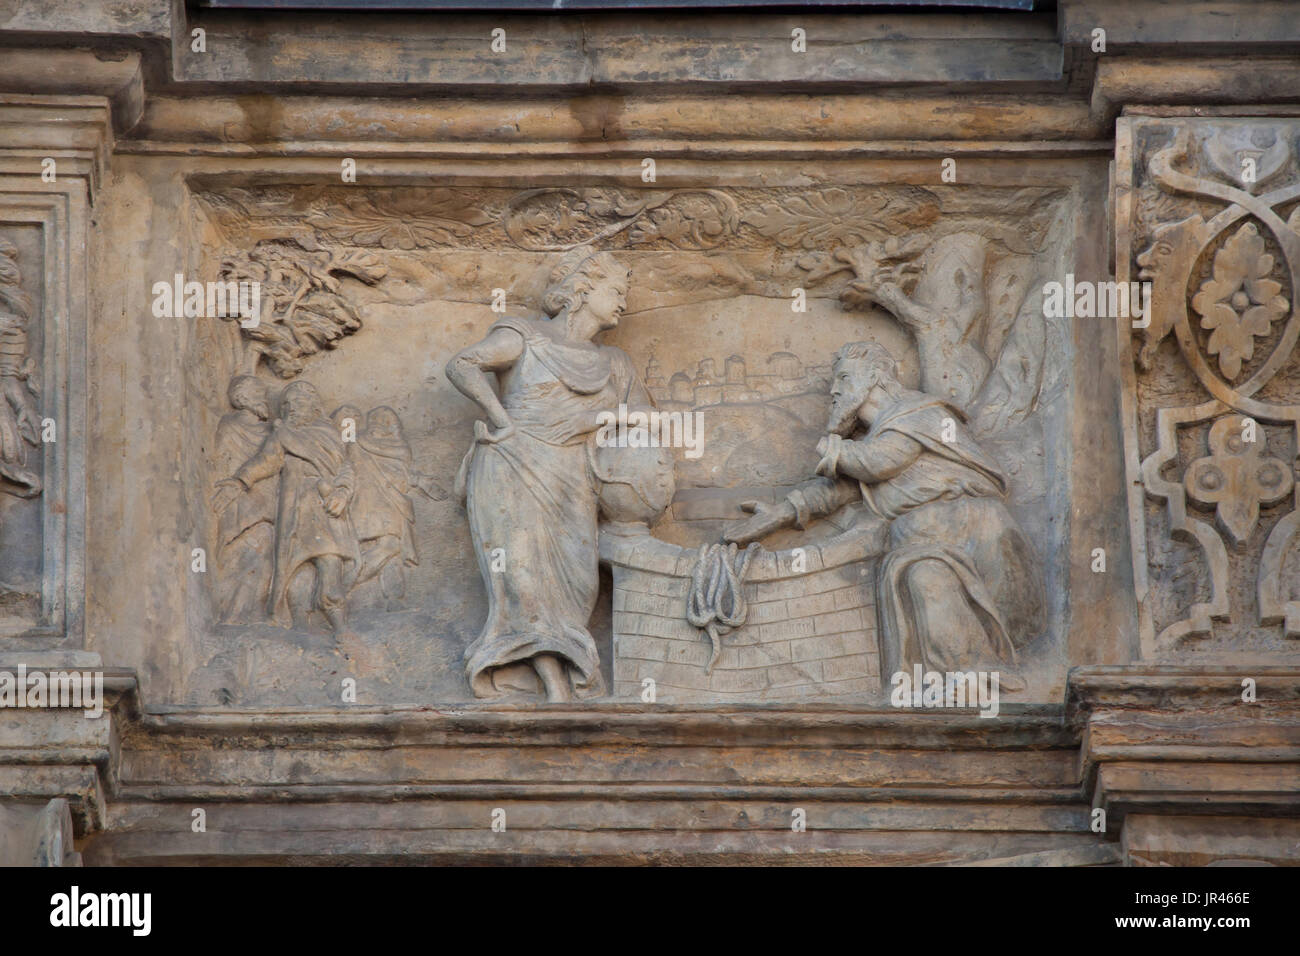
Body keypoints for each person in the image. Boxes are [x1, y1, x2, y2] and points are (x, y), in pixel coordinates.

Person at [725, 341, 1044, 684]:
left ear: (875, 376)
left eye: (844, 378)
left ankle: (976, 674)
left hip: (974, 541)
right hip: (927, 544)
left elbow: (878, 462)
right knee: (924, 580)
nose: (834, 390)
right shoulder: (883, 434)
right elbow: (841, 489)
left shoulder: (918, 414)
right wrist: (780, 513)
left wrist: (830, 443)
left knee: (928, 580)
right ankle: (963, 675)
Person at [445, 250, 653, 701]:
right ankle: (554, 683)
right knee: (522, 577)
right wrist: (501, 420)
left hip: (576, 475)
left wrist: (591, 420)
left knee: (580, 583)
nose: (623, 303)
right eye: (615, 291)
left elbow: (645, 416)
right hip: (512, 467)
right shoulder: (525, 335)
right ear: (582, 290)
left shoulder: (616, 362)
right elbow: (463, 364)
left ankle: (561, 670)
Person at [213, 381, 358, 634]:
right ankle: (299, 629)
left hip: (327, 507)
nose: (290, 408)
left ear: (313, 405)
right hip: (294, 508)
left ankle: (342, 631)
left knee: (330, 567)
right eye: (287, 404)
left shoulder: (330, 435)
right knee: (292, 568)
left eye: (298, 401)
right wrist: (239, 481)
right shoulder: (282, 434)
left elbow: (346, 469)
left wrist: (343, 494)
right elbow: (267, 461)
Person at [348, 405, 445, 602]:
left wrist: (422, 482)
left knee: (393, 552)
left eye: (394, 422)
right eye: (389, 422)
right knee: (390, 546)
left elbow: (400, 473)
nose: (394, 427)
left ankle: (394, 599)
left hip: (392, 504)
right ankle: (342, 586)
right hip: (372, 504)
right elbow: (353, 469)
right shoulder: (357, 444)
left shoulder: (397, 448)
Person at [212, 376, 276, 623]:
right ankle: (234, 615)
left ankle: (253, 613)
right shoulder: (230, 427)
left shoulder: (272, 431)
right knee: (242, 550)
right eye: (259, 393)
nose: (265, 398)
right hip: (239, 502)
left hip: (266, 504)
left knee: (264, 551)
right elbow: (220, 465)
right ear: (243, 398)